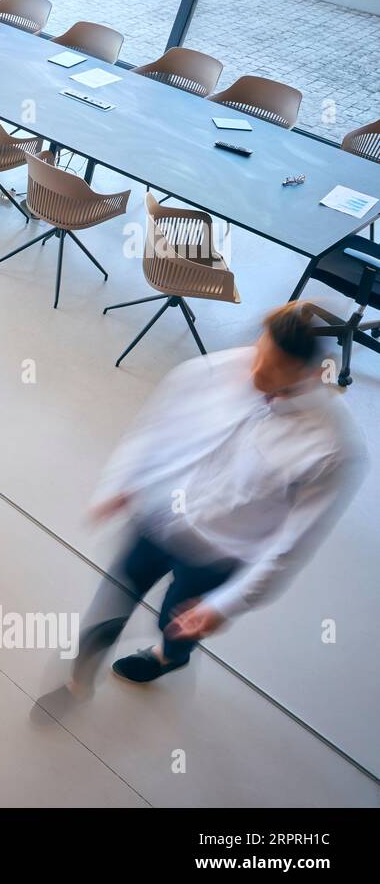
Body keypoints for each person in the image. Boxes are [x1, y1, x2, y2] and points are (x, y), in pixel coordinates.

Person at [36, 303, 367, 717]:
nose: (255, 371)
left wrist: (224, 605)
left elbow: (292, 545)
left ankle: (169, 656)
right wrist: (121, 483)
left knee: (178, 623)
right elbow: (154, 430)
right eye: (258, 351)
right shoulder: (215, 371)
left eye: (273, 367)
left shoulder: (334, 448)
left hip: (218, 553)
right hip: (156, 521)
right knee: (109, 607)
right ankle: (78, 683)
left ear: (308, 372)